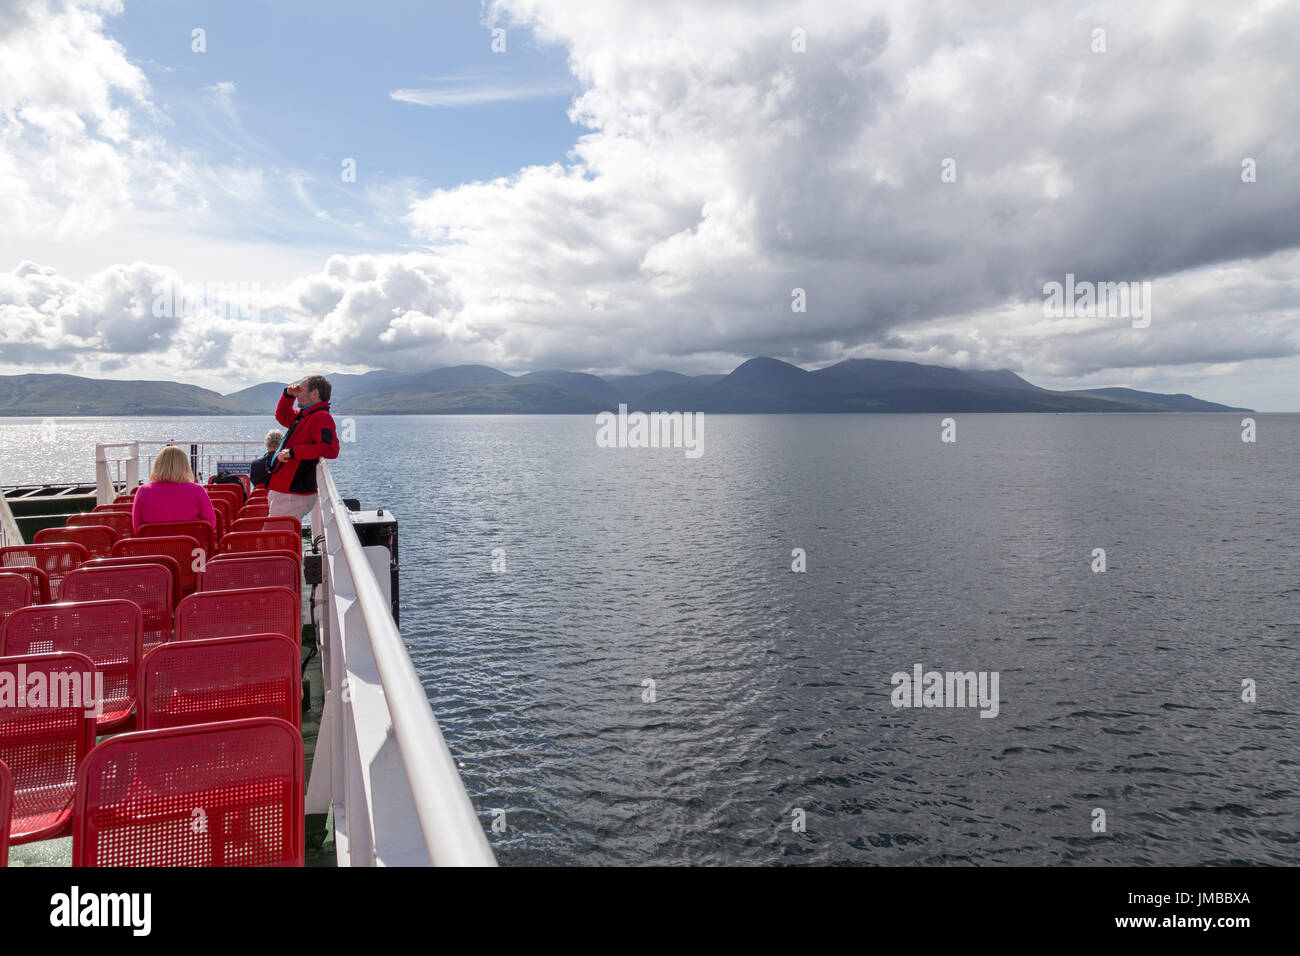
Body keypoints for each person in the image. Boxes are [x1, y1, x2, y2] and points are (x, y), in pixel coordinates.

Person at [268, 375, 340, 519]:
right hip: (287, 488)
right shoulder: (307, 416)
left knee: (275, 537)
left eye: (300, 389)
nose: (297, 393)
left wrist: (293, 452)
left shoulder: (321, 417)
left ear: (315, 393)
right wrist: (288, 396)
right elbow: (282, 415)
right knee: (281, 535)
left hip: (293, 491)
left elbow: (330, 449)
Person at [131, 445, 217, 533]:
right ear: (185, 466)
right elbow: (210, 525)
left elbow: (137, 529)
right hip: (190, 545)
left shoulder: (143, 491)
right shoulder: (197, 490)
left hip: (154, 546)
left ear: (158, 465)